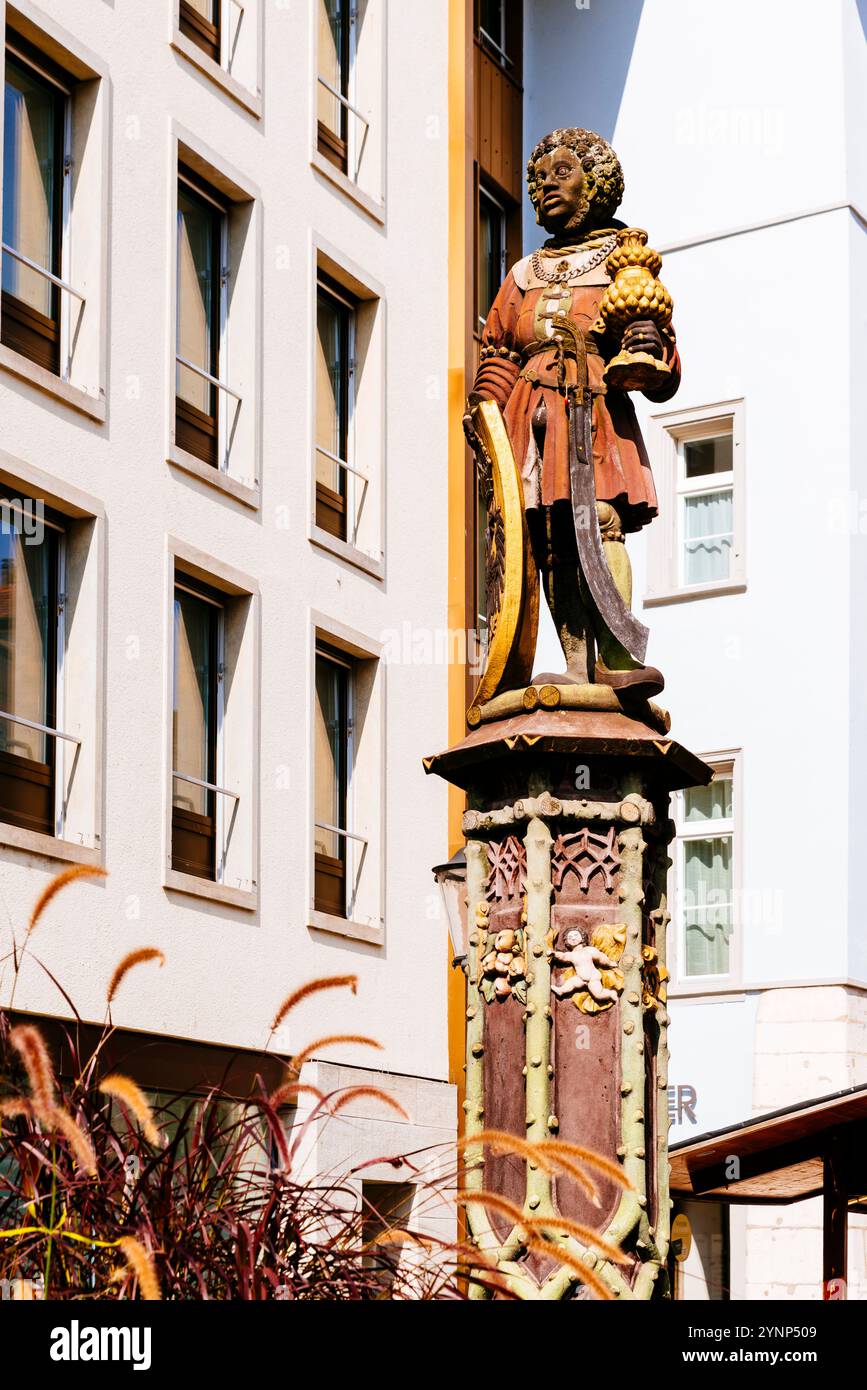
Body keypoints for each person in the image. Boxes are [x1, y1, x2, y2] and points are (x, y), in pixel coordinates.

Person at [466, 128, 680, 698]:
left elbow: (657, 352)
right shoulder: (522, 274)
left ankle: (617, 653)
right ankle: (578, 662)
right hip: (528, 411)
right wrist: (486, 411)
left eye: (560, 172)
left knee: (600, 519)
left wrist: (645, 344)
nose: (544, 187)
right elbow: (500, 353)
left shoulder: (624, 258)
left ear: (595, 179)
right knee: (549, 534)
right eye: (537, 179)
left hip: (591, 404)